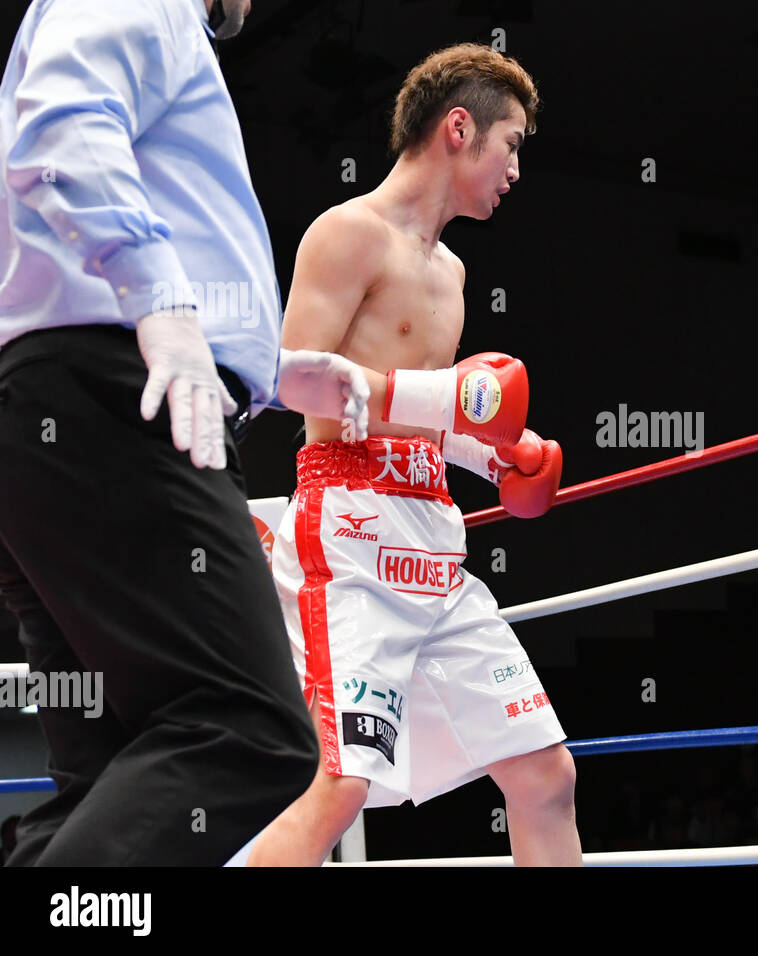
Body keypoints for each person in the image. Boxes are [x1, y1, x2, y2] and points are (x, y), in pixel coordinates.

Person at [0, 0, 370, 864]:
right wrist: (160, 306)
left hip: (61, 419)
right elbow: (60, 130)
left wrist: (264, 371)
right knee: (247, 729)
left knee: (111, 775)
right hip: (112, 404)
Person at [244, 43, 580, 866]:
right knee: (341, 784)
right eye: (511, 143)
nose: (515, 168)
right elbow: (286, 381)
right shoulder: (348, 232)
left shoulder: (454, 271)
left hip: (434, 539)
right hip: (350, 537)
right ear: (458, 128)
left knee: (544, 775)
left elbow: (424, 421)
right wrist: (447, 401)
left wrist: (491, 457)